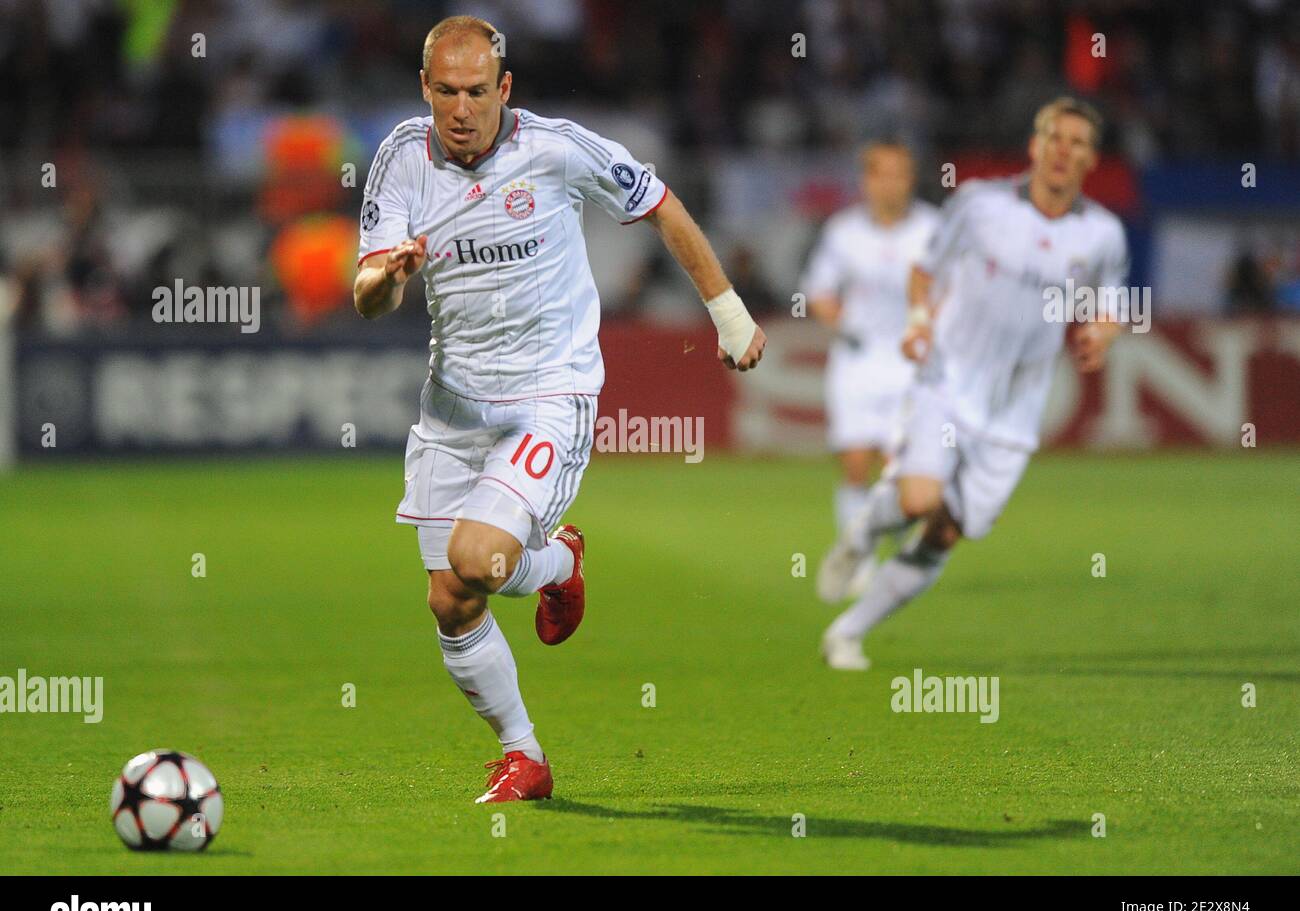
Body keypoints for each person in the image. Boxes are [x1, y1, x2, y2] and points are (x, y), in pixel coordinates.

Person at [353, 16, 766, 799]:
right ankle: (526, 756)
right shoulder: (401, 159)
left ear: (504, 88)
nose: (462, 108)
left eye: (478, 91)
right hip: (452, 407)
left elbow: (663, 205)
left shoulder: (557, 149)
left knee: (479, 558)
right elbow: (367, 297)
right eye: (447, 91)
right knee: (450, 597)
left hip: (550, 394)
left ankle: (559, 561)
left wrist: (730, 314)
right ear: (424, 89)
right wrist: (390, 275)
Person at [818, 97, 1128, 671]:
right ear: (1035, 147)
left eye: (1078, 143)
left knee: (944, 535)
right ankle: (862, 534)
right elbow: (926, 268)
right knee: (919, 499)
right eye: (1054, 138)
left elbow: (1112, 303)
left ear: (1091, 159)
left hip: (1015, 410)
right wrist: (917, 321)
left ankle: (847, 632)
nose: (1063, 151)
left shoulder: (1103, 235)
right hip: (947, 378)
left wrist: (1102, 335)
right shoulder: (981, 204)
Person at [803, 142, 937, 604]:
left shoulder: (931, 229)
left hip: (911, 361)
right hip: (857, 361)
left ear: (910, 179)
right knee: (856, 464)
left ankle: (904, 555)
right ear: (866, 181)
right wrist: (844, 322)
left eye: (900, 174)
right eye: (882, 174)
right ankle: (859, 559)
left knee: (904, 469)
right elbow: (818, 291)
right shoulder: (844, 232)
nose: (891, 183)